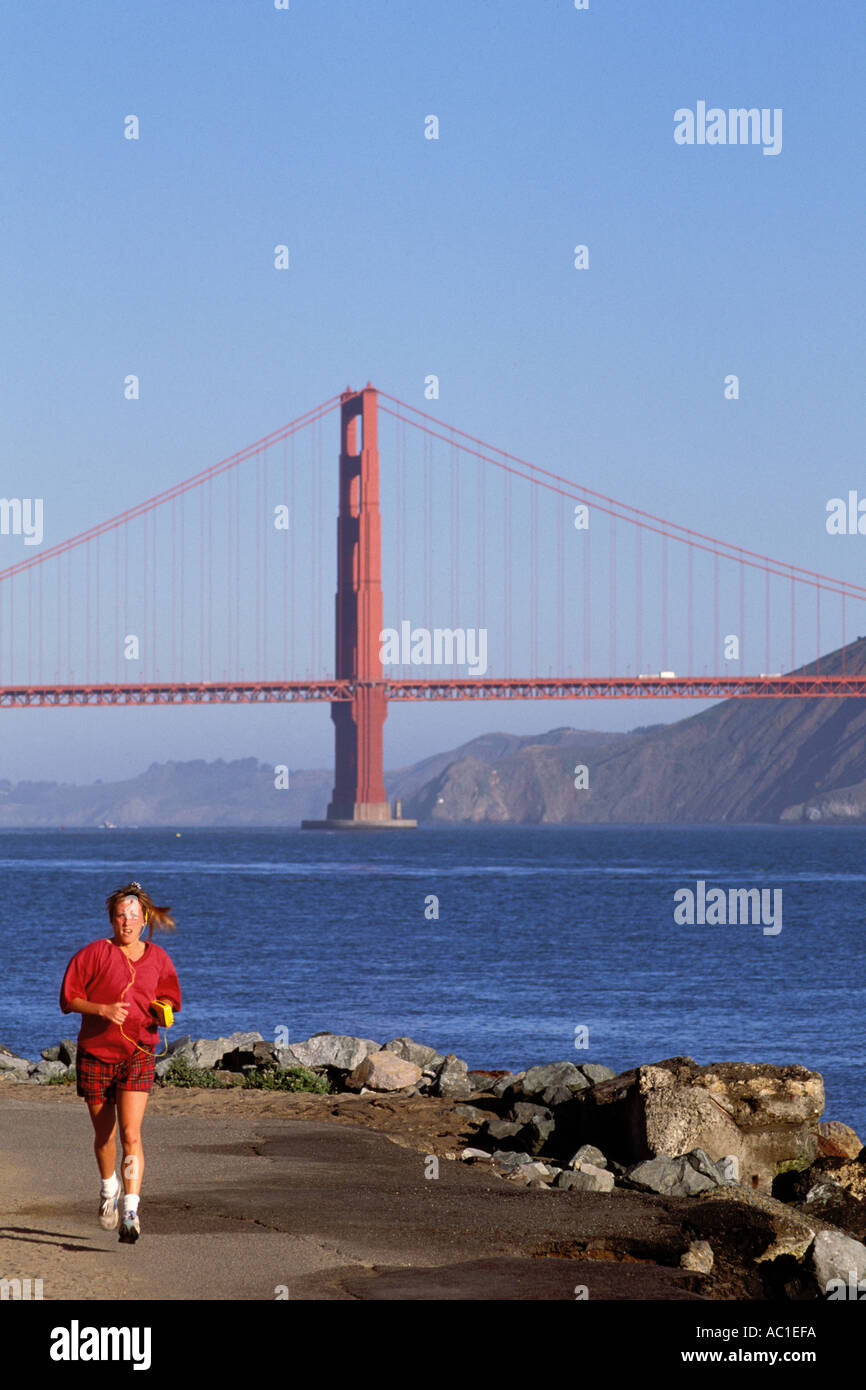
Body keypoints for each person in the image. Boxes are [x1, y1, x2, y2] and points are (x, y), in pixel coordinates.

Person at [59, 881, 181, 1244]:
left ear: (144, 919)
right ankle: (108, 1189)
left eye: (132, 916)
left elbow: (170, 997)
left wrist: (165, 1012)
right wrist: (102, 1009)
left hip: (140, 1053)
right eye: (119, 916)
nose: (126, 923)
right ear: (111, 920)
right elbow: (68, 998)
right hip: (96, 1053)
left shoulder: (158, 958)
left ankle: (131, 1209)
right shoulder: (94, 953)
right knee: (105, 1135)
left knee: (131, 1134)